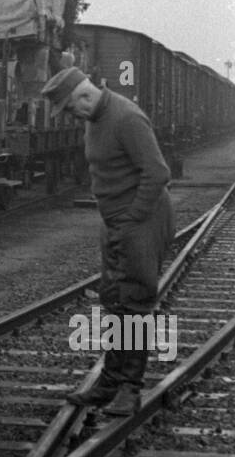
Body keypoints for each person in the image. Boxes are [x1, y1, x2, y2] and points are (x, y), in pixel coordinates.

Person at [41, 66, 175, 416]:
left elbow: (158, 172)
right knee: (114, 298)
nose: (72, 115)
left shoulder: (127, 117)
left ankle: (130, 388)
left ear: (85, 96)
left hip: (141, 220)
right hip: (116, 221)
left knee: (135, 302)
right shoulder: (94, 118)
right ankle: (110, 381)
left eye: (72, 108)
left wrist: (132, 218)